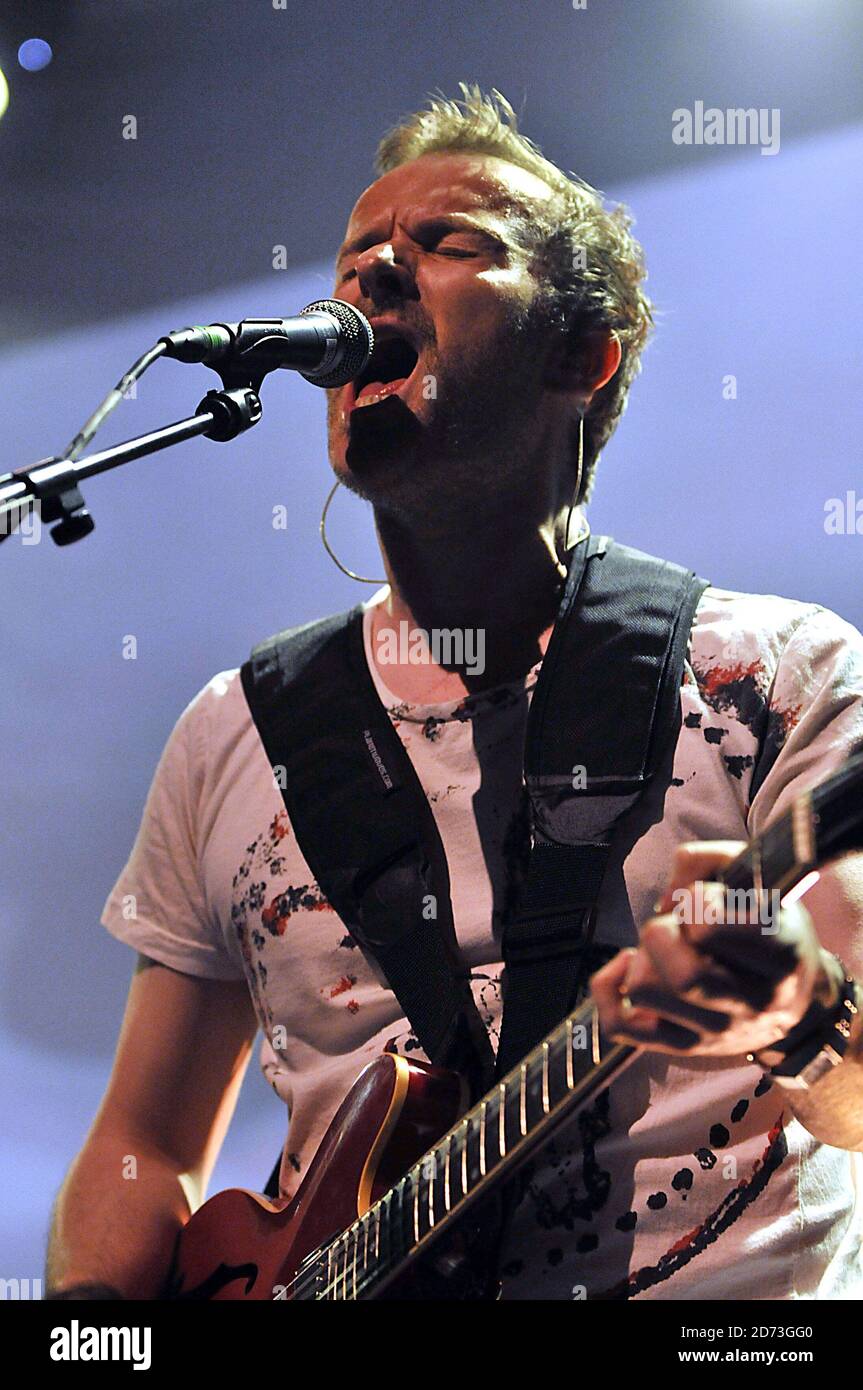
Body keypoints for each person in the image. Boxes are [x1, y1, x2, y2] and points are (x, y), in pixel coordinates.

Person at [46, 85, 863, 1301]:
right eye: (359, 252)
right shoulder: (239, 730)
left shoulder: (775, 676)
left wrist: (796, 1007)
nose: (375, 268)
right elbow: (148, 1141)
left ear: (581, 356)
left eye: (450, 244)